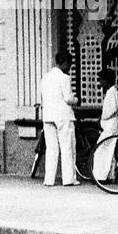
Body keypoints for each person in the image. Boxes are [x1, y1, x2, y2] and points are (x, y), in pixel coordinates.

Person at [39, 51, 79, 186]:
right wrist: (76, 99)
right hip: (63, 115)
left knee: (51, 148)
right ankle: (69, 179)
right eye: (70, 65)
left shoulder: (45, 77)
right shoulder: (64, 78)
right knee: (67, 147)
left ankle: (49, 180)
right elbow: (68, 98)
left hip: (48, 115)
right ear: (65, 63)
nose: (70, 68)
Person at [91, 68, 118, 182]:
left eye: (101, 80)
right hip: (112, 125)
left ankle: (100, 177)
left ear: (106, 81)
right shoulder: (114, 91)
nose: (99, 83)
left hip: (110, 126)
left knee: (102, 150)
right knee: (109, 151)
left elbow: (111, 109)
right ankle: (110, 175)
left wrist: (102, 117)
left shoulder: (112, 92)